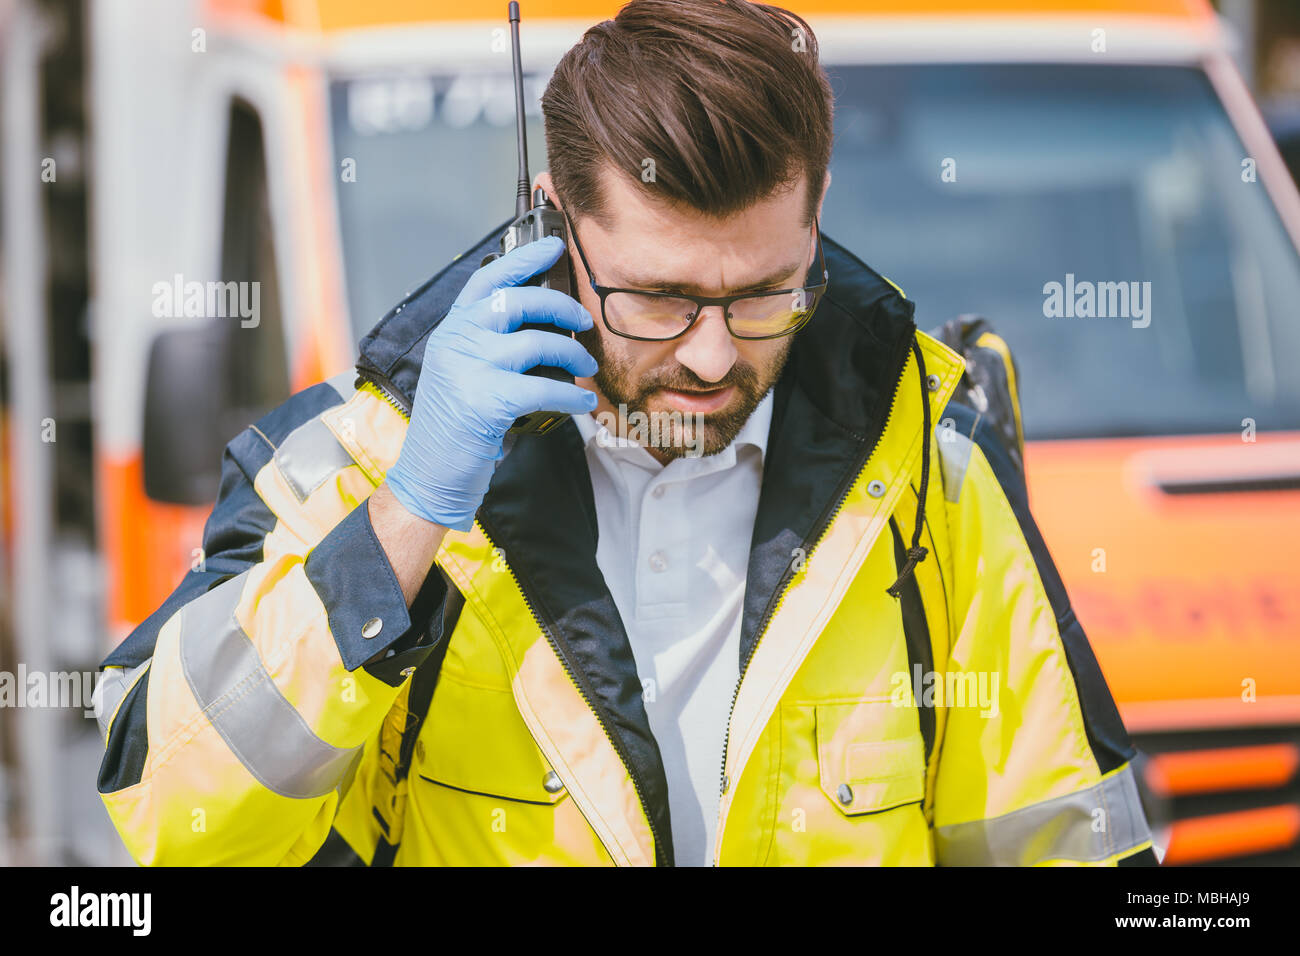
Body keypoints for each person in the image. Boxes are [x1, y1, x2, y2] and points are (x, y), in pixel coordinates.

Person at [95, 0, 1154, 866]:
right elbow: (178, 825)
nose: (708, 354)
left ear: (818, 202)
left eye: (764, 293)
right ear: (553, 217)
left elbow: (1064, 848)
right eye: (658, 296)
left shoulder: (932, 477)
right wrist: (407, 520)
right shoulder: (355, 466)